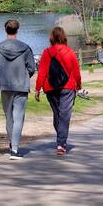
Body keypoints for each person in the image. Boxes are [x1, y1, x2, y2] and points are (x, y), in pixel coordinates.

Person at [0, 19, 36, 159]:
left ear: (6, 30)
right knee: (18, 118)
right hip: (21, 86)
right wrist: (24, 75)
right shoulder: (26, 48)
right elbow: (32, 68)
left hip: (5, 86)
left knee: (9, 117)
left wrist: (2, 76)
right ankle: (14, 149)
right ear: (17, 30)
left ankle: (12, 144)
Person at [35, 26, 82, 156]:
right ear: (64, 37)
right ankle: (61, 143)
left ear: (51, 38)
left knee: (57, 113)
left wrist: (38, 88)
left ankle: (61, 138)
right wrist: (78, 84)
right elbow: (76, 72)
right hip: (68, 87)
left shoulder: (46, 52)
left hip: (50, 87)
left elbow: (42, 72)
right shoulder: (70, 52)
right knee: (64, 115)